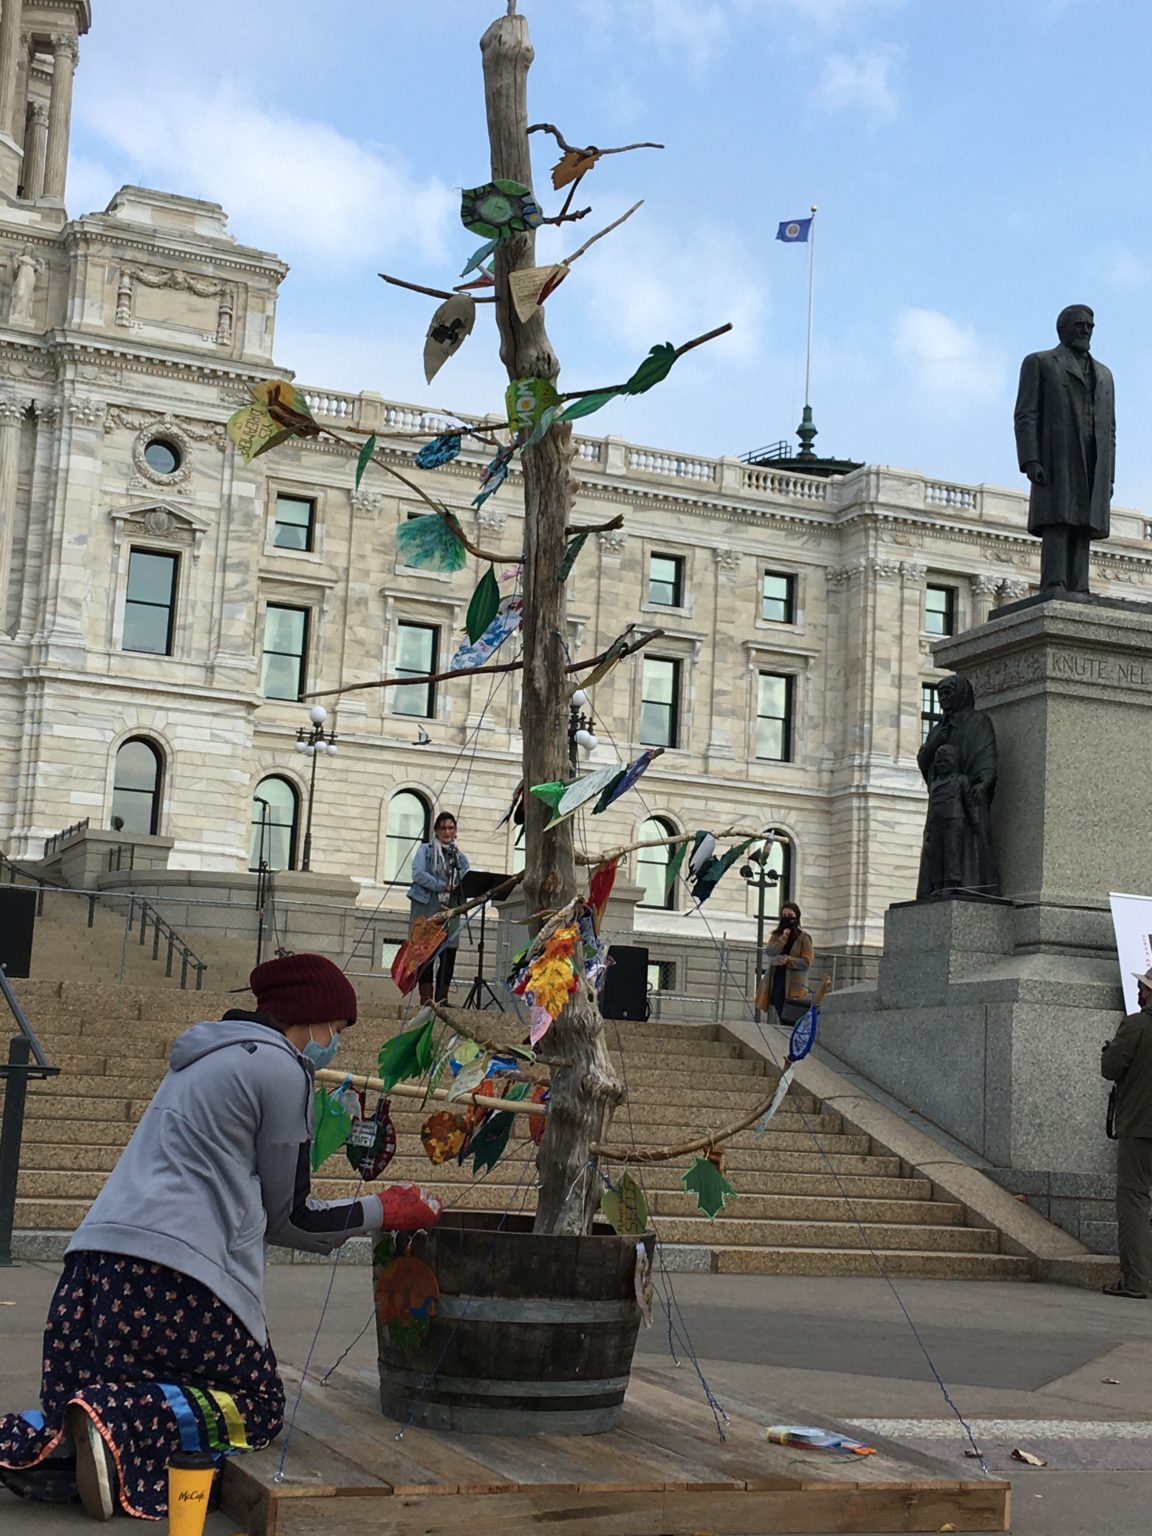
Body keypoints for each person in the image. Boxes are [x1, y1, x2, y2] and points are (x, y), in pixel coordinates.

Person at [0, 953, 441, 1520]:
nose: (333, 1042)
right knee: (256, 1407)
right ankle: (112, 1421)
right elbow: (292, 1216)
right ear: (309, 1018)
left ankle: (70, 1431)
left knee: (114, 1384)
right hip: (177, 1274)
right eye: (334, 1028)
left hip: (93, 1265)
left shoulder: (202, 1058)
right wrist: (386, 1208)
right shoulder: (282, 1070)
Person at [1014, 304, 1115, 596]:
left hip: (1095, 459)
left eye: (1090, 326)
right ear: (1064, 329)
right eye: (1080, 325)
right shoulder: (1040, 362)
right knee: (1058, 520)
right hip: (1057, 456)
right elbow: (1026, 414)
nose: (1086, 330)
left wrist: (1109, 476)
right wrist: (1030, 458)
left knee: (1083, 525)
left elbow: (1110, 429)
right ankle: (1055, 582)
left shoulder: (1105, 375)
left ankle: (1079, 585)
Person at [916, 674, 999, 899]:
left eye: (947, 693)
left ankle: (963, 885)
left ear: (961, 694)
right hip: (940, 802)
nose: (942, 699)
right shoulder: (936, 730)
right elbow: (924, 764)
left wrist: (983, 782)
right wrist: (932, 746)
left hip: (965, 803)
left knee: (961, 850)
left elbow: (986, 757)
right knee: (938, 849)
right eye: (940, 694)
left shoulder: (977, 722)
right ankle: (937, 886)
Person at [1100, 967, 1152, 1300]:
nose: (1138, 991)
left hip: (1142, 1126)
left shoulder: (1136, 1025)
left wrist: (1108, 1051)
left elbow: (1111, 1068)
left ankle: (1137, 1280)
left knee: (1133, 1200)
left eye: (1142, 986)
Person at [406, 811, 470, 1005]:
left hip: (451, 908)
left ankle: (442, 998)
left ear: (456, 831)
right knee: (426, 954)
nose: (447, 832)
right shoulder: (425, 850)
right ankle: (426, 999)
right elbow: (418, 874)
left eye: (451, 828)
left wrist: (458, 886)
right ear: (436, 830)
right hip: (427, 906)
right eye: (443, 828)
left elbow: (467, 875)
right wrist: (441, 885)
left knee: (448, 953)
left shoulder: (459, 857)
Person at [761, 902, 813, 1025]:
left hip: (794, 985)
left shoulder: (804, 938)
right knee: (780, 1012)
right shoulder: (776, 935)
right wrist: (782, 939)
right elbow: (770, 951)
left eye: (790, 915)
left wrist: (788, 960)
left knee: (791, 1018)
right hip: (778, 980)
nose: (787, 918)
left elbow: (806, 962)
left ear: (797, 917)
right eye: (784, 915)